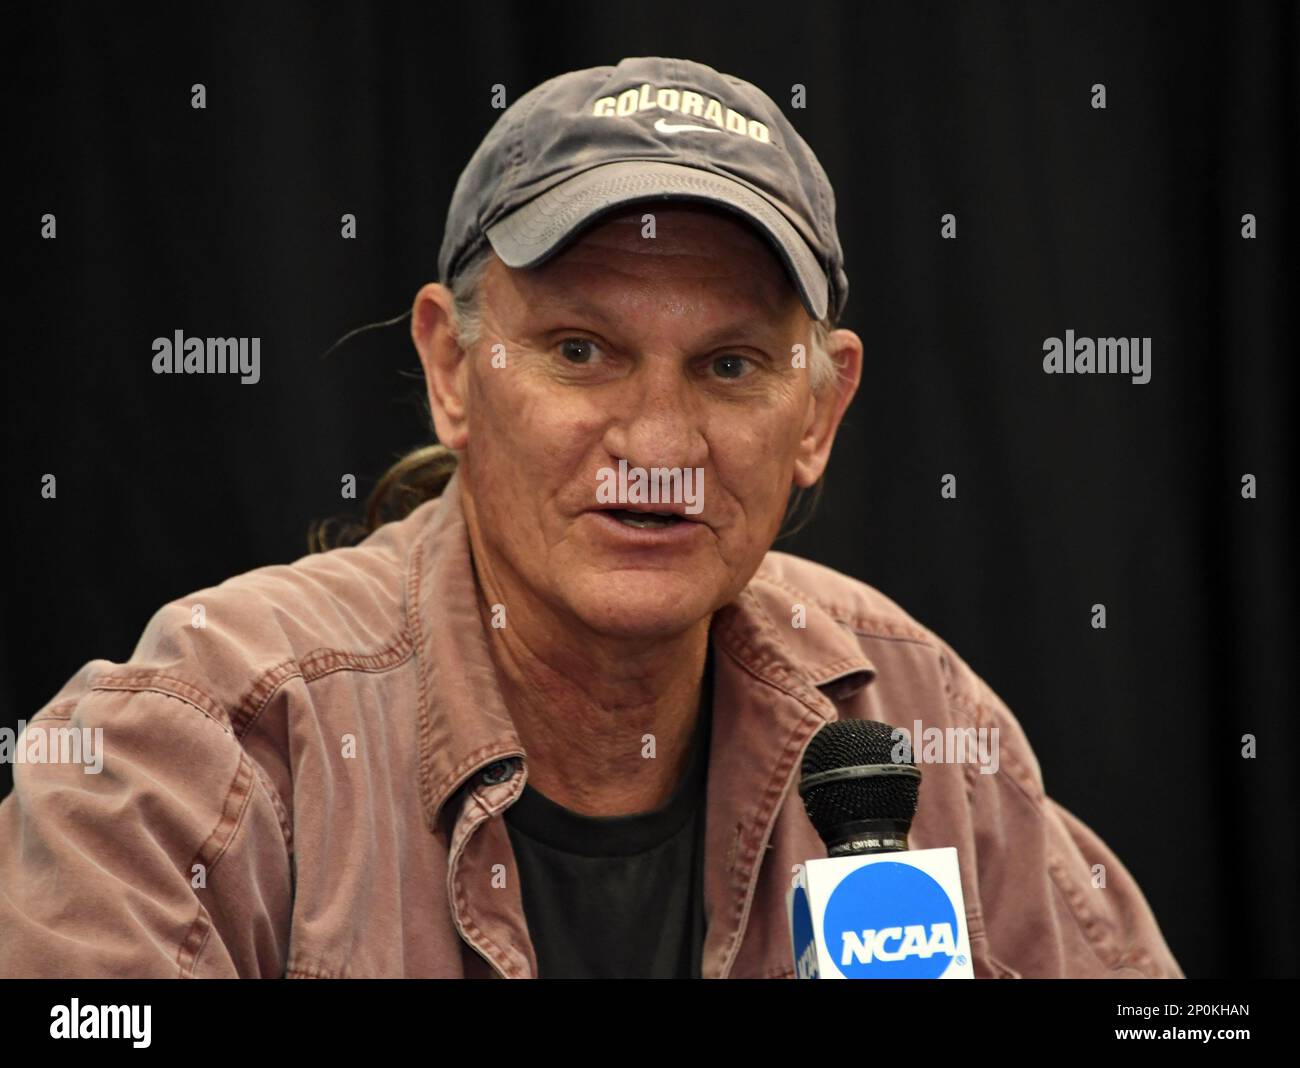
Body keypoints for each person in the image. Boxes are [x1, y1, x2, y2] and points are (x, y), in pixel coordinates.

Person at [0, 56, 1182, 979]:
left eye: (728, 367)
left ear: (820, 409)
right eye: (581, 350)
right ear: (453, 369)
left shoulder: (911, 711)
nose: (659, 447)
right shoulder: (203, 744)